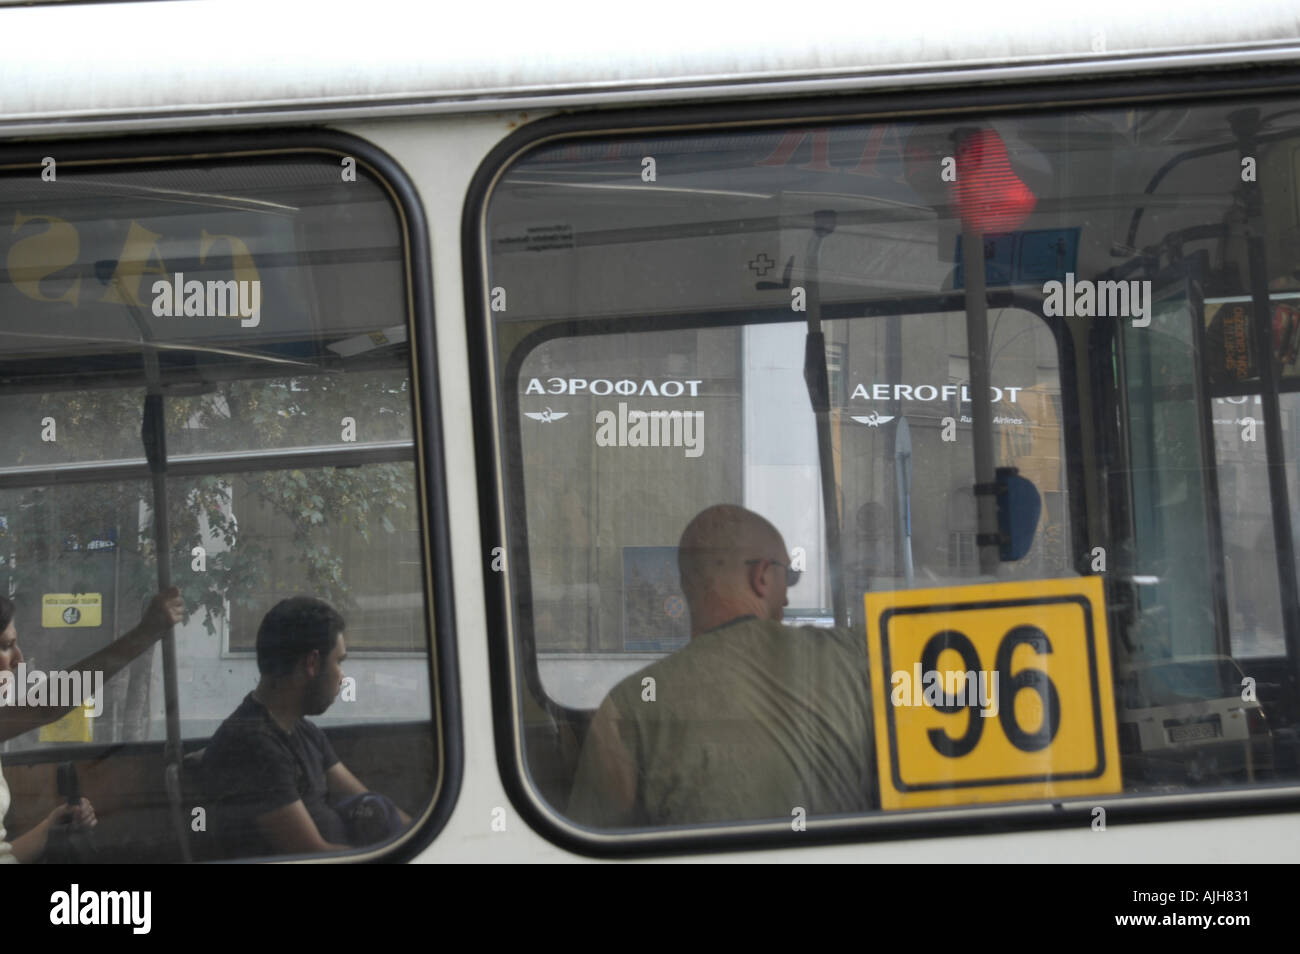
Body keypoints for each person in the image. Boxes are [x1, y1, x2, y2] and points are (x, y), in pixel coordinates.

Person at [567, 504, 876, 828]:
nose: (787, 599)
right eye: (789, 576)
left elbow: (590, 834)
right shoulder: (854, 656)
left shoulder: (626, 705)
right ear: (761, 576)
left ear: (686, 585)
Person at [202, 596, 411, 857]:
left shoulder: (304, 731)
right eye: (339, 662)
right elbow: (314, 855)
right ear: (312, 663)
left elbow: (371, 801)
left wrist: (415, 835)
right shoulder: (252, 747)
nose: (342, 677)